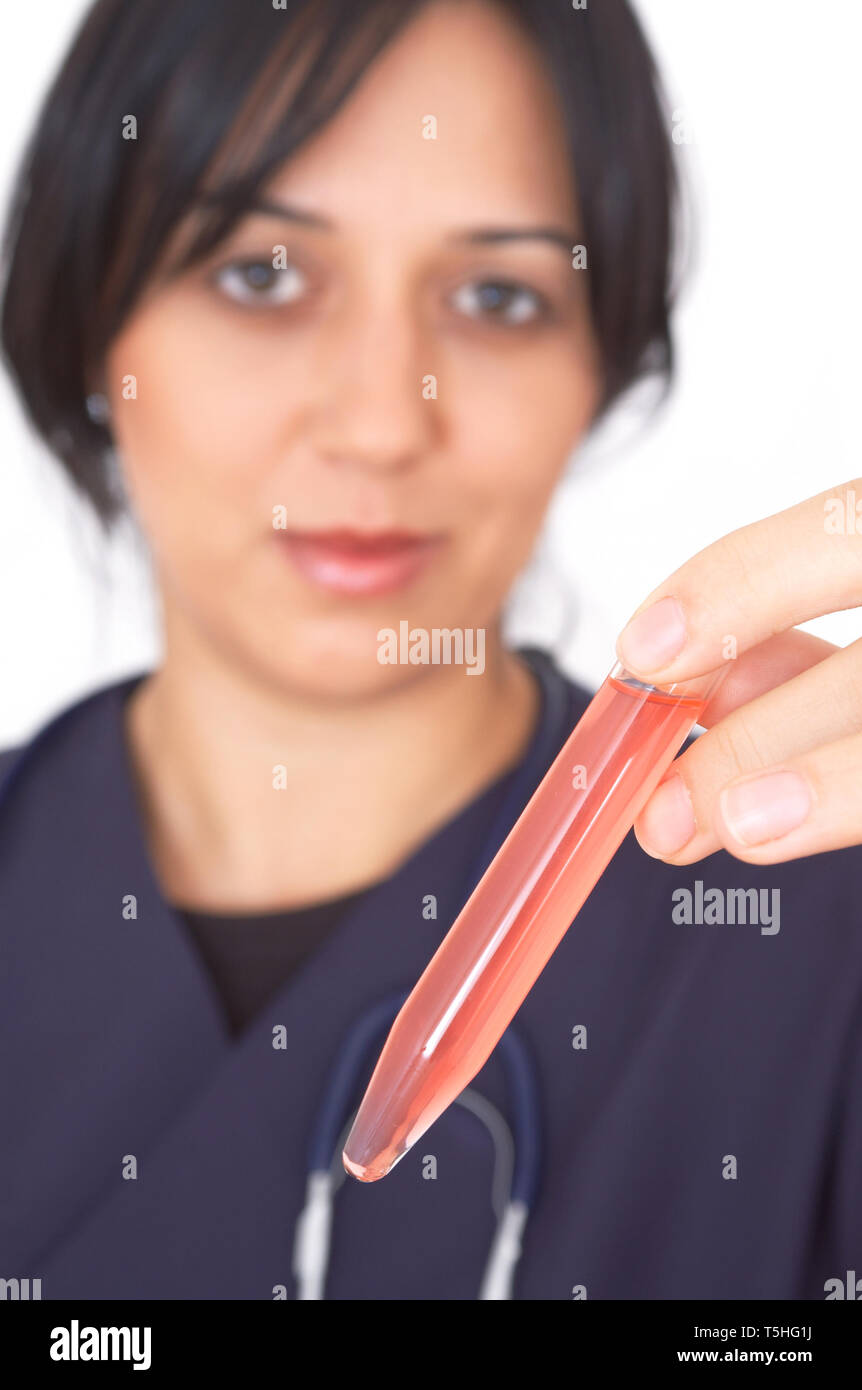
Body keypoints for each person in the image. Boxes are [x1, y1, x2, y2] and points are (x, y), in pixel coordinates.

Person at [1, 0, 859, 1300]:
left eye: (496, 295)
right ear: (87, 325)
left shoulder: (814, 951)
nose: (378, 423)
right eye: (261, 274)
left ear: (600, 366)